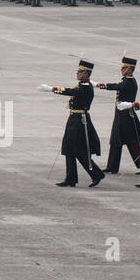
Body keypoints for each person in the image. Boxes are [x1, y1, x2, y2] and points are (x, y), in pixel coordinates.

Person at [41, 59, 104, 187]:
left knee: (79, 151)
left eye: (80, 71)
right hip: (74, 119)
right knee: (69, 149)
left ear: (87, 73)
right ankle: (70, 178)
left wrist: (52, 89)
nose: (77, 73)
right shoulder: (81, 85)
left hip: (80, 121)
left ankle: (96, 173)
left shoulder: (85, 88)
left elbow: (71, 92)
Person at [96, 56, 140, 174]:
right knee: (116, 140)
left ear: (130, 69)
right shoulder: (125, 80)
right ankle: (112, 166)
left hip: (127, 116)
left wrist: (100, 85)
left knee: (132, 142)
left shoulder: (130, 82)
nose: (122, 69)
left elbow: (117, 87)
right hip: (120, 114)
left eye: (124, 68)